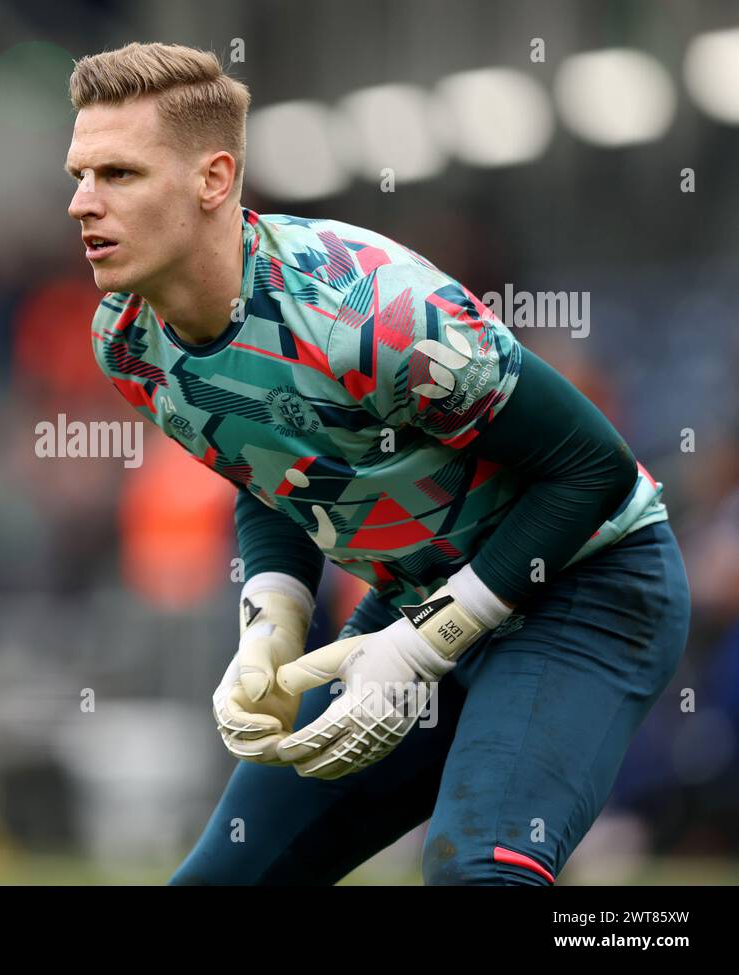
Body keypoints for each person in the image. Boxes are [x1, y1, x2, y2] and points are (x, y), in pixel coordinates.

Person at [65, 43, 690, 884]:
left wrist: (431, 641)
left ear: (213, 180)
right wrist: (272, 618)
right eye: (79, 174)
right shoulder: (126, 338)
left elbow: (595, 469)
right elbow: (268, 473)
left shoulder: (375, 314)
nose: (81, 203)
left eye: (119, 174)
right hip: (416, 604)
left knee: (477, 872)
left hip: (584, 588)